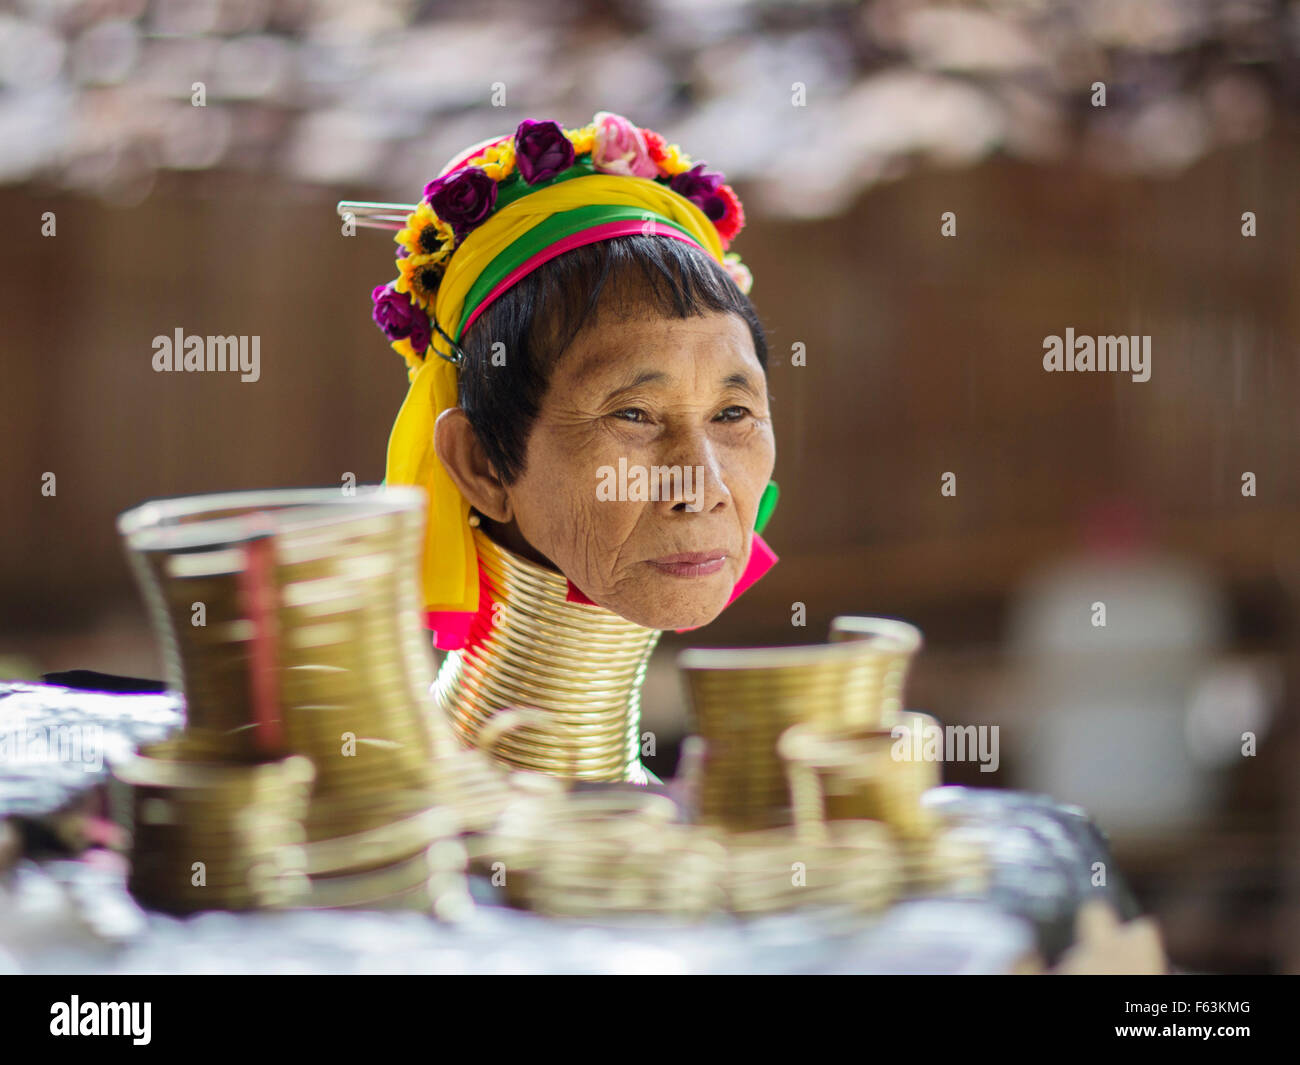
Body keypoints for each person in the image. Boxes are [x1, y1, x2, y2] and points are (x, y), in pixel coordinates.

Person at [353, 113, 780, 784]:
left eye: (732, 412)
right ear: (482, 462)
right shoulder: (357, 832)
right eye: (634, 414)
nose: (703, 483)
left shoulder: (733, 849)